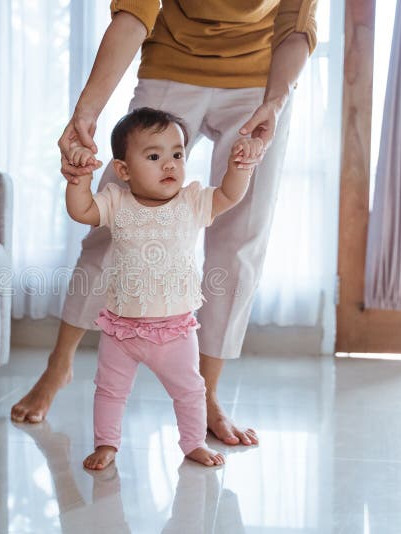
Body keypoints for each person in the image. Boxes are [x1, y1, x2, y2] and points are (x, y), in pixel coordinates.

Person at [11, 1, 318, 448]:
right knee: (110, 225)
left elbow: (296, 25)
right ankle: (60, 365)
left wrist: (275, 101)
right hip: (172, 63)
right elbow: (134, 10)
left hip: (260, 78)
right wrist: (86, 113)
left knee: (241, 237)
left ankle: (206, 394)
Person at [66, 107, 264, 469]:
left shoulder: (192, 201)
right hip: (121, 330)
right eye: (154, 156)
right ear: (124, 170)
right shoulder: (115, 200)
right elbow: (81, 211)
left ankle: (192, 443)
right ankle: (106, 444)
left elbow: (230, 196)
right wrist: (77, 178)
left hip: (174, 330)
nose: (170, 164)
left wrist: (241, 166)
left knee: (190, 392)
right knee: (109, 391)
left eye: (177, 154)